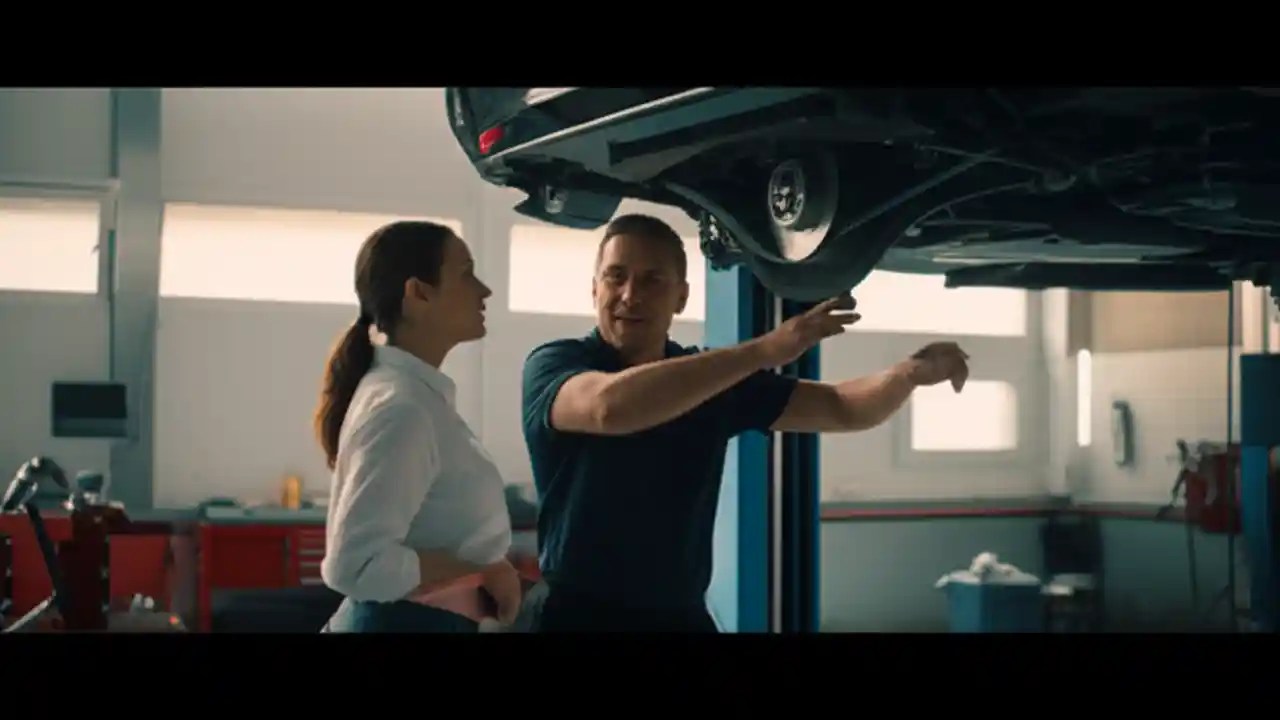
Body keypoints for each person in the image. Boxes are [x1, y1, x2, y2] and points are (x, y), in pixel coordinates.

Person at [519, 213, 971, 632]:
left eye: (652, 279)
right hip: (577, 615)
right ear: (594, 288)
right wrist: (762, 351)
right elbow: (608, 408)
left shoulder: (712, 378)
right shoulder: (557, 363)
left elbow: (842, 407)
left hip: (680, 616)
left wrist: (905, 375)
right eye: (615, 276)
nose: (629, 295)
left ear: (681, 296)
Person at [315, 220, 523, 633]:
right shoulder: (402, 408)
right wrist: (481, 570)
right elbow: (355, 566)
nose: (485, 291)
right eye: (466, 273)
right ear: (418, 293)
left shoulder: (417, 398)